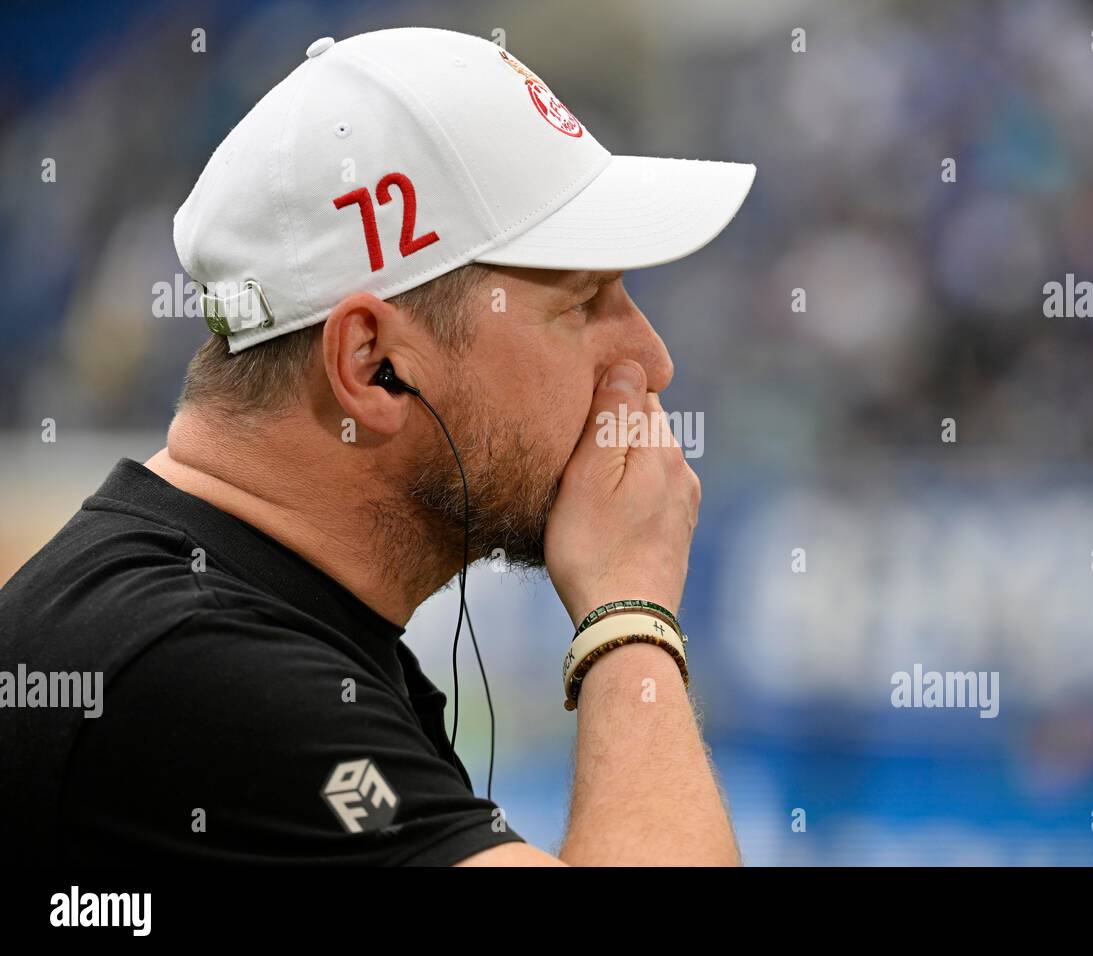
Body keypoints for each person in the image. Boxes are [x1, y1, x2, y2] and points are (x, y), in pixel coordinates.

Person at [0, 27, 755, 865]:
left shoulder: (218, 620)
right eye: (583, 302)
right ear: (375, 365)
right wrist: (630, 612)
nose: (651, 359)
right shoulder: (200, 673)